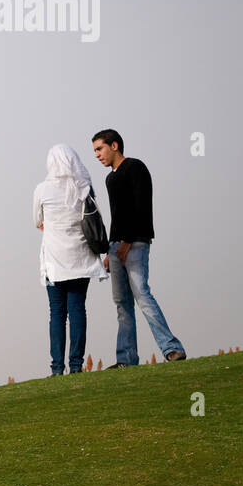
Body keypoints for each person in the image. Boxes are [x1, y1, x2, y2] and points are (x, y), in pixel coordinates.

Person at [91, 129, 187, 365]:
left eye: (99, 149)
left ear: (114, 146)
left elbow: (141, 207)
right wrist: (110, 250)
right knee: (122, 305)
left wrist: (127, 242)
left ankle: (172, 349)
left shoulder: (136, 168)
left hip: (135, 244)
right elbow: (117, 216)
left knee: (142, 295)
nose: (97, 155)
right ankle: (126, 358)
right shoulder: (110, 178)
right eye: (94, 151)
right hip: (116, 247)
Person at [33, 145, 107, 375]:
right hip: (81, 259)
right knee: (77, 310)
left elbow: (38, 221)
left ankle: (57, 367)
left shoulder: (42, 190)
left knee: (56, 312)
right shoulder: (84, 186)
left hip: (54, 261)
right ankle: (76, 364)